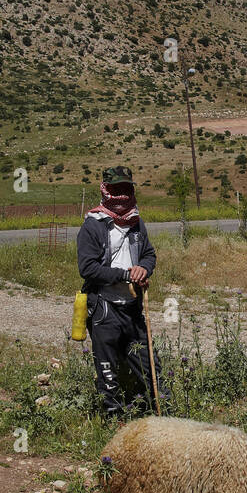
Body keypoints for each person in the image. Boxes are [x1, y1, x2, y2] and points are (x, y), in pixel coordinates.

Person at [77, 166, 164, 414]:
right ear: (106, 190)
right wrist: (125, 274)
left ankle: (159, 410)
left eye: (126, 188)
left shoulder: (136, 223)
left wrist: (144, 270)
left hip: (133, 308)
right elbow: (88, 268)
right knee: (108, 371)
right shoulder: (93, 225)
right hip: (104, 308)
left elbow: (149, 254)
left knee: (150, 366)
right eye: (116, 189)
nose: (122, 195)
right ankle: (113, 420)